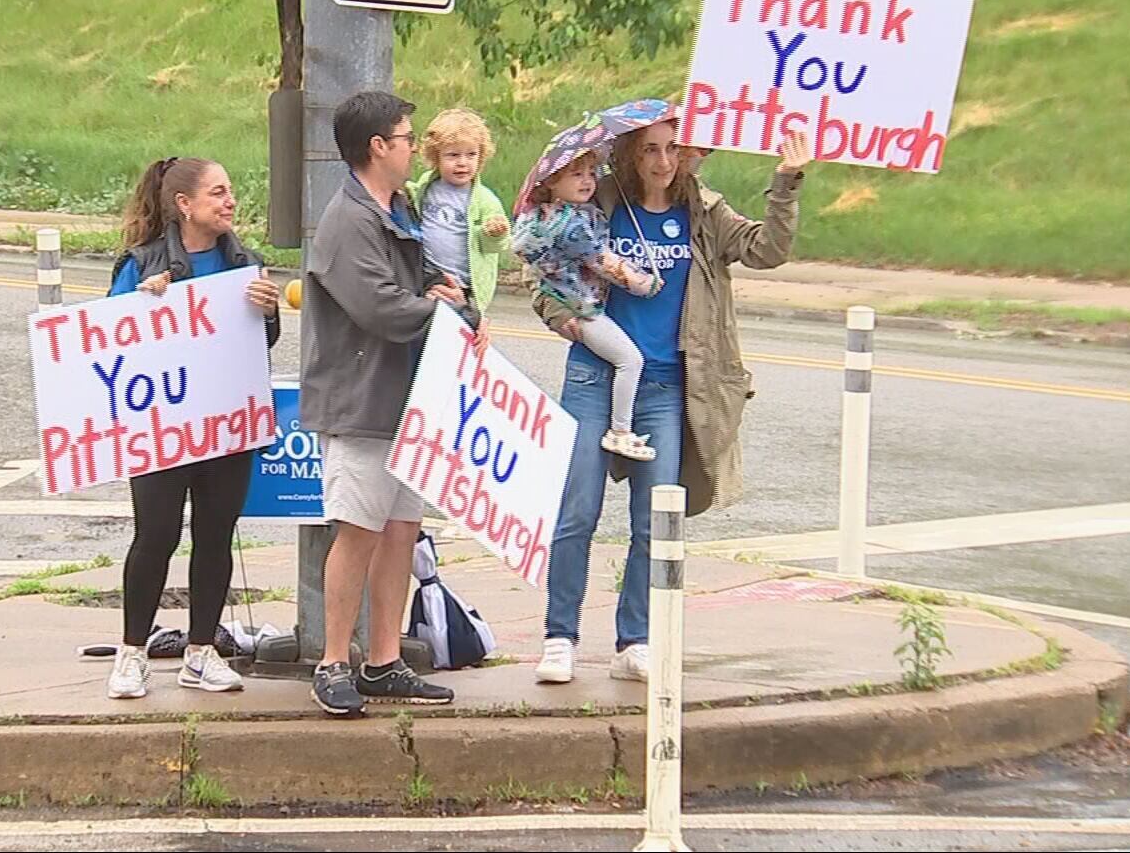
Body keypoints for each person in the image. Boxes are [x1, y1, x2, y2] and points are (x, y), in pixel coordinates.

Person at [531, 101, 814, 685]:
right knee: (576, 511)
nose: (663, 161)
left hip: (664, 386)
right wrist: (557, 315)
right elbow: (544, 270)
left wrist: (786, 182)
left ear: (691, 154)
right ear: (633, 154)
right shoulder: (602, 200)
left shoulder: (703, 213)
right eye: (651, 149)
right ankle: (559, 638)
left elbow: (767, 250)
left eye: (674, 149)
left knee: (655, 519)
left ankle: (634, 639)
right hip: (593, 376)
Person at [300, 90, 484, 718]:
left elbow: (430, 275)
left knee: (403, 529)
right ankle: (333, 661)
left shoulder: (400, 208)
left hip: (410, 398)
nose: (413, 149)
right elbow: (379, 305)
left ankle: (383, 659)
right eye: (405, 139)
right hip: (362, 397)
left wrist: (459, 302)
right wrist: (442, 309)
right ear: (378, 147)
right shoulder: (347, 221)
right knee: (357, 530)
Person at [103, 156, 283, 700]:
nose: (230, 202)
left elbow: (259, 346)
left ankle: (201, 652)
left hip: (224, 423)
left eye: (231, 193)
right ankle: (132, 654)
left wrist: (267, 312)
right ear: (184, 205)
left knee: (215, 535)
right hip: (161, 427)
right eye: (218, 193)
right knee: (156, 534)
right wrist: (144, 304)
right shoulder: (141, 262)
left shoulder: (244, 263)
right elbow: (109, 339)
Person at [511, 148, 663, 463]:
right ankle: (620, 432)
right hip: (578, 305)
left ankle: (621, 430)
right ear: (552, 181)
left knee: (626, 359)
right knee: (629, 360)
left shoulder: (557, 214)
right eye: (576, 174)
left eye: (591, 173)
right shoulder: (568, 223)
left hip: (579, 299)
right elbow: (604, 262)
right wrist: (645, 284)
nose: (588, 181)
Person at [406, 107, 512, 310]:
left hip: (463, 286)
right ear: (435, 158)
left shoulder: (485, 200)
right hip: (428, 280)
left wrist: (494, 233)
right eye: (453, 155)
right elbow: (411, 199)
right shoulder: (426, 189)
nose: (462, 163)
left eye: (471, 154)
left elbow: (497, 247)